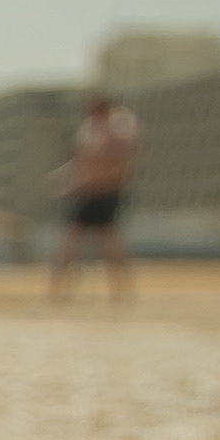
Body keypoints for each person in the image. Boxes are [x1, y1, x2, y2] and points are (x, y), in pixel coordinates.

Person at [48, 90, 139, 305]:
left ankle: (121, 291)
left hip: (106, 191)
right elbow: (82, 160)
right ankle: (59, 291)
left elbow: (118, 155)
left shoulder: (121, 124)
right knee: (70, 243)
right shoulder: (89, 127)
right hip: (85, 192)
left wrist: (96, 157)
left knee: (108, 243)